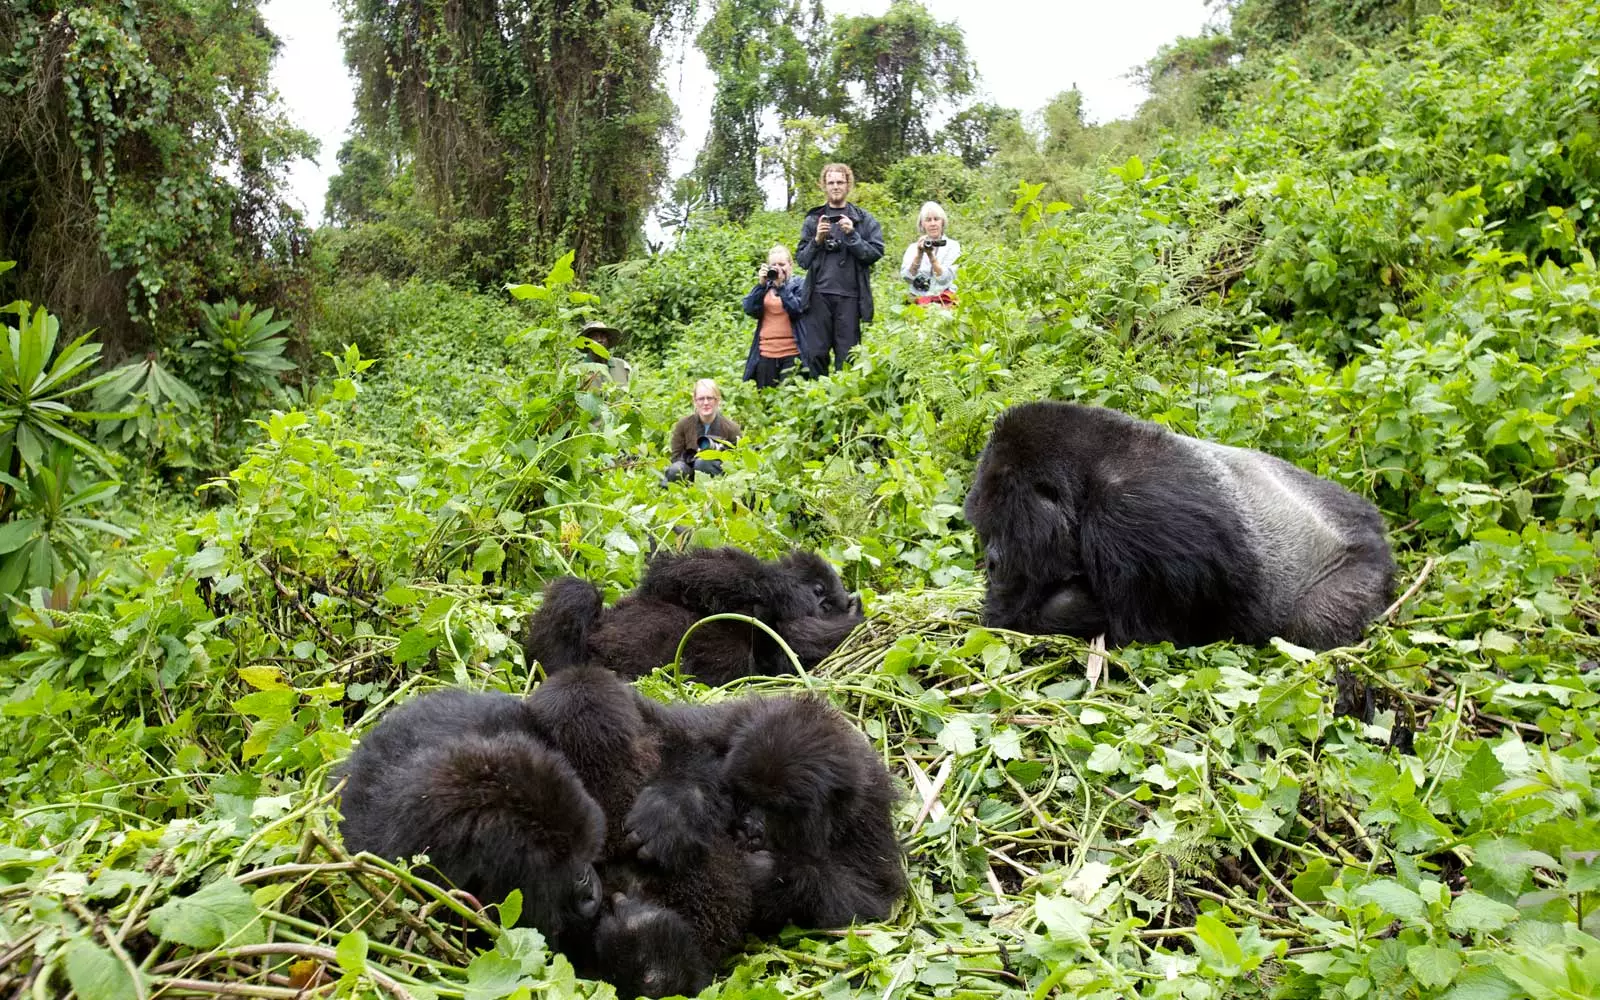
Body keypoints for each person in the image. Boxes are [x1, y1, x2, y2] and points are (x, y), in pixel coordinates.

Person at [796, 163, 883, 373]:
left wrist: (852, 235)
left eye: (840, 182)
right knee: (816, 353)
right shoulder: (814, 219)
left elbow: (874, 254)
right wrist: (817, 240)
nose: (835, 186)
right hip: (818, 296)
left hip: (850, 297)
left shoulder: (863, 219)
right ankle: (818, 398)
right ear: (824, 186)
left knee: (848, 356)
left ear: (848, 185)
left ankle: (844, 401)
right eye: (831, 182)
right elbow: (802, 260)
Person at [742, 245, 814, 389]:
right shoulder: (765, 287)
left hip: (792, 352)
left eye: (782, 264)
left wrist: (782, 287)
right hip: (765, 353)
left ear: (790, 265)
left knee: (790, 399)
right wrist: (761, 285)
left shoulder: (800, 284)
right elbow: (749, 309)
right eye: (773, 265)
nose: (778, 268)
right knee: (766, 400)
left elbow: (798, 309)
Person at [663, 379, 742, 484]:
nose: (705, 403)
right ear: (695, 401)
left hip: (718, 475)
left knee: (702, 464)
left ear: (717, 400)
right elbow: (675, 457)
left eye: (710, 398)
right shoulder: (683, 425)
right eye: (701, 399)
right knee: (674, 470)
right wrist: (691, 458)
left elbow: (738, 461)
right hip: (689, 471)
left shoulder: (731, 428)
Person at [900, 201, 960, 307]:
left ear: (942, 222)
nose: (933, 224)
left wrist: (931, 256)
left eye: (936, 219)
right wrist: (919, 254)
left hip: (944, 299)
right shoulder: (913, 248)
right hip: (918, 298)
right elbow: (907, 278)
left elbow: (945, 279)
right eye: (928, 220)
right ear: (922, 224)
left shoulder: (953, 246)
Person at [578, 320, 632, 389]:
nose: (599, 340)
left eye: (603, 336)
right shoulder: (580, 371)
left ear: (608, 340)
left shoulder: (623, 366)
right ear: (586, 343)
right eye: (594, 337)